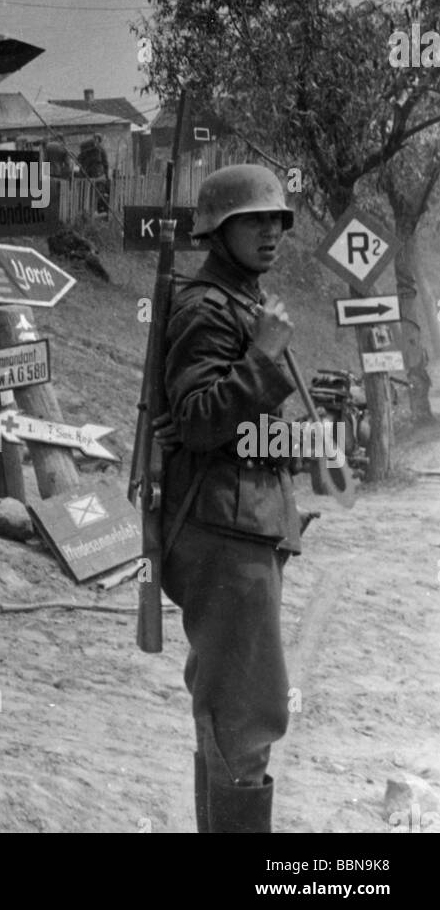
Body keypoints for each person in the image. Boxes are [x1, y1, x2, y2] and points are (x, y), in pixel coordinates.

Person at [159, 164, 301, 834]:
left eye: (276, 218)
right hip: (221, 528)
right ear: (218, 230)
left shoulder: (244, 300)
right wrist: (265, 355)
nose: (270, 230)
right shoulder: (206, 306)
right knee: (243, 709)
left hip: (244, 521)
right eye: (254, 220)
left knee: (238, 706)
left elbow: (236, 426)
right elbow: (196, 418)